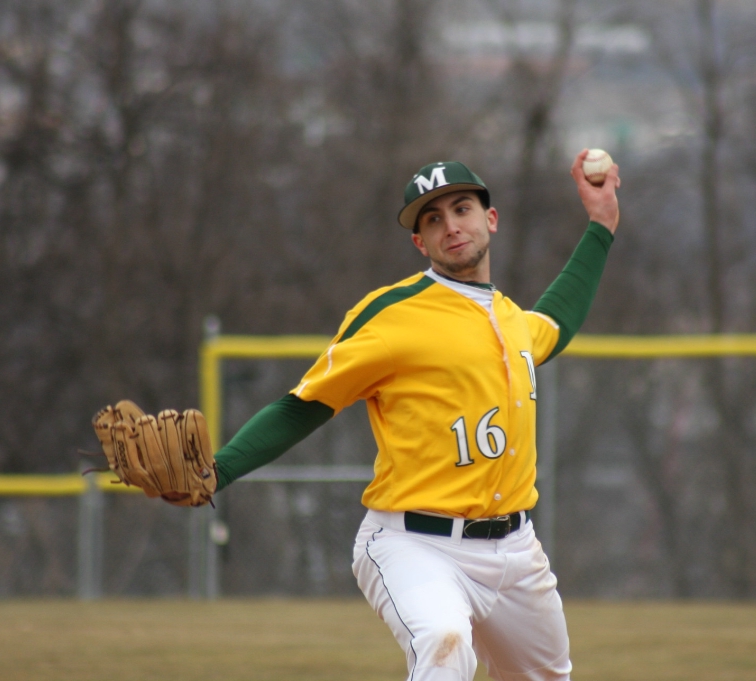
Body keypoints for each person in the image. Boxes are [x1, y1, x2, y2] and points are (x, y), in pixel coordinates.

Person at [212, 149, 620, 681]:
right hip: (416, 543)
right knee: (444, 644)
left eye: (461, 209)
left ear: (490, 218)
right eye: (432, 219)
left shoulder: (511, 319)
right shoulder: (392, 315)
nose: (451, 226)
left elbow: (557, 321)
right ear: (419, 243)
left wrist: (601, 224)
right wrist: (218, 471)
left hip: (516, 549)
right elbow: (303, 405)